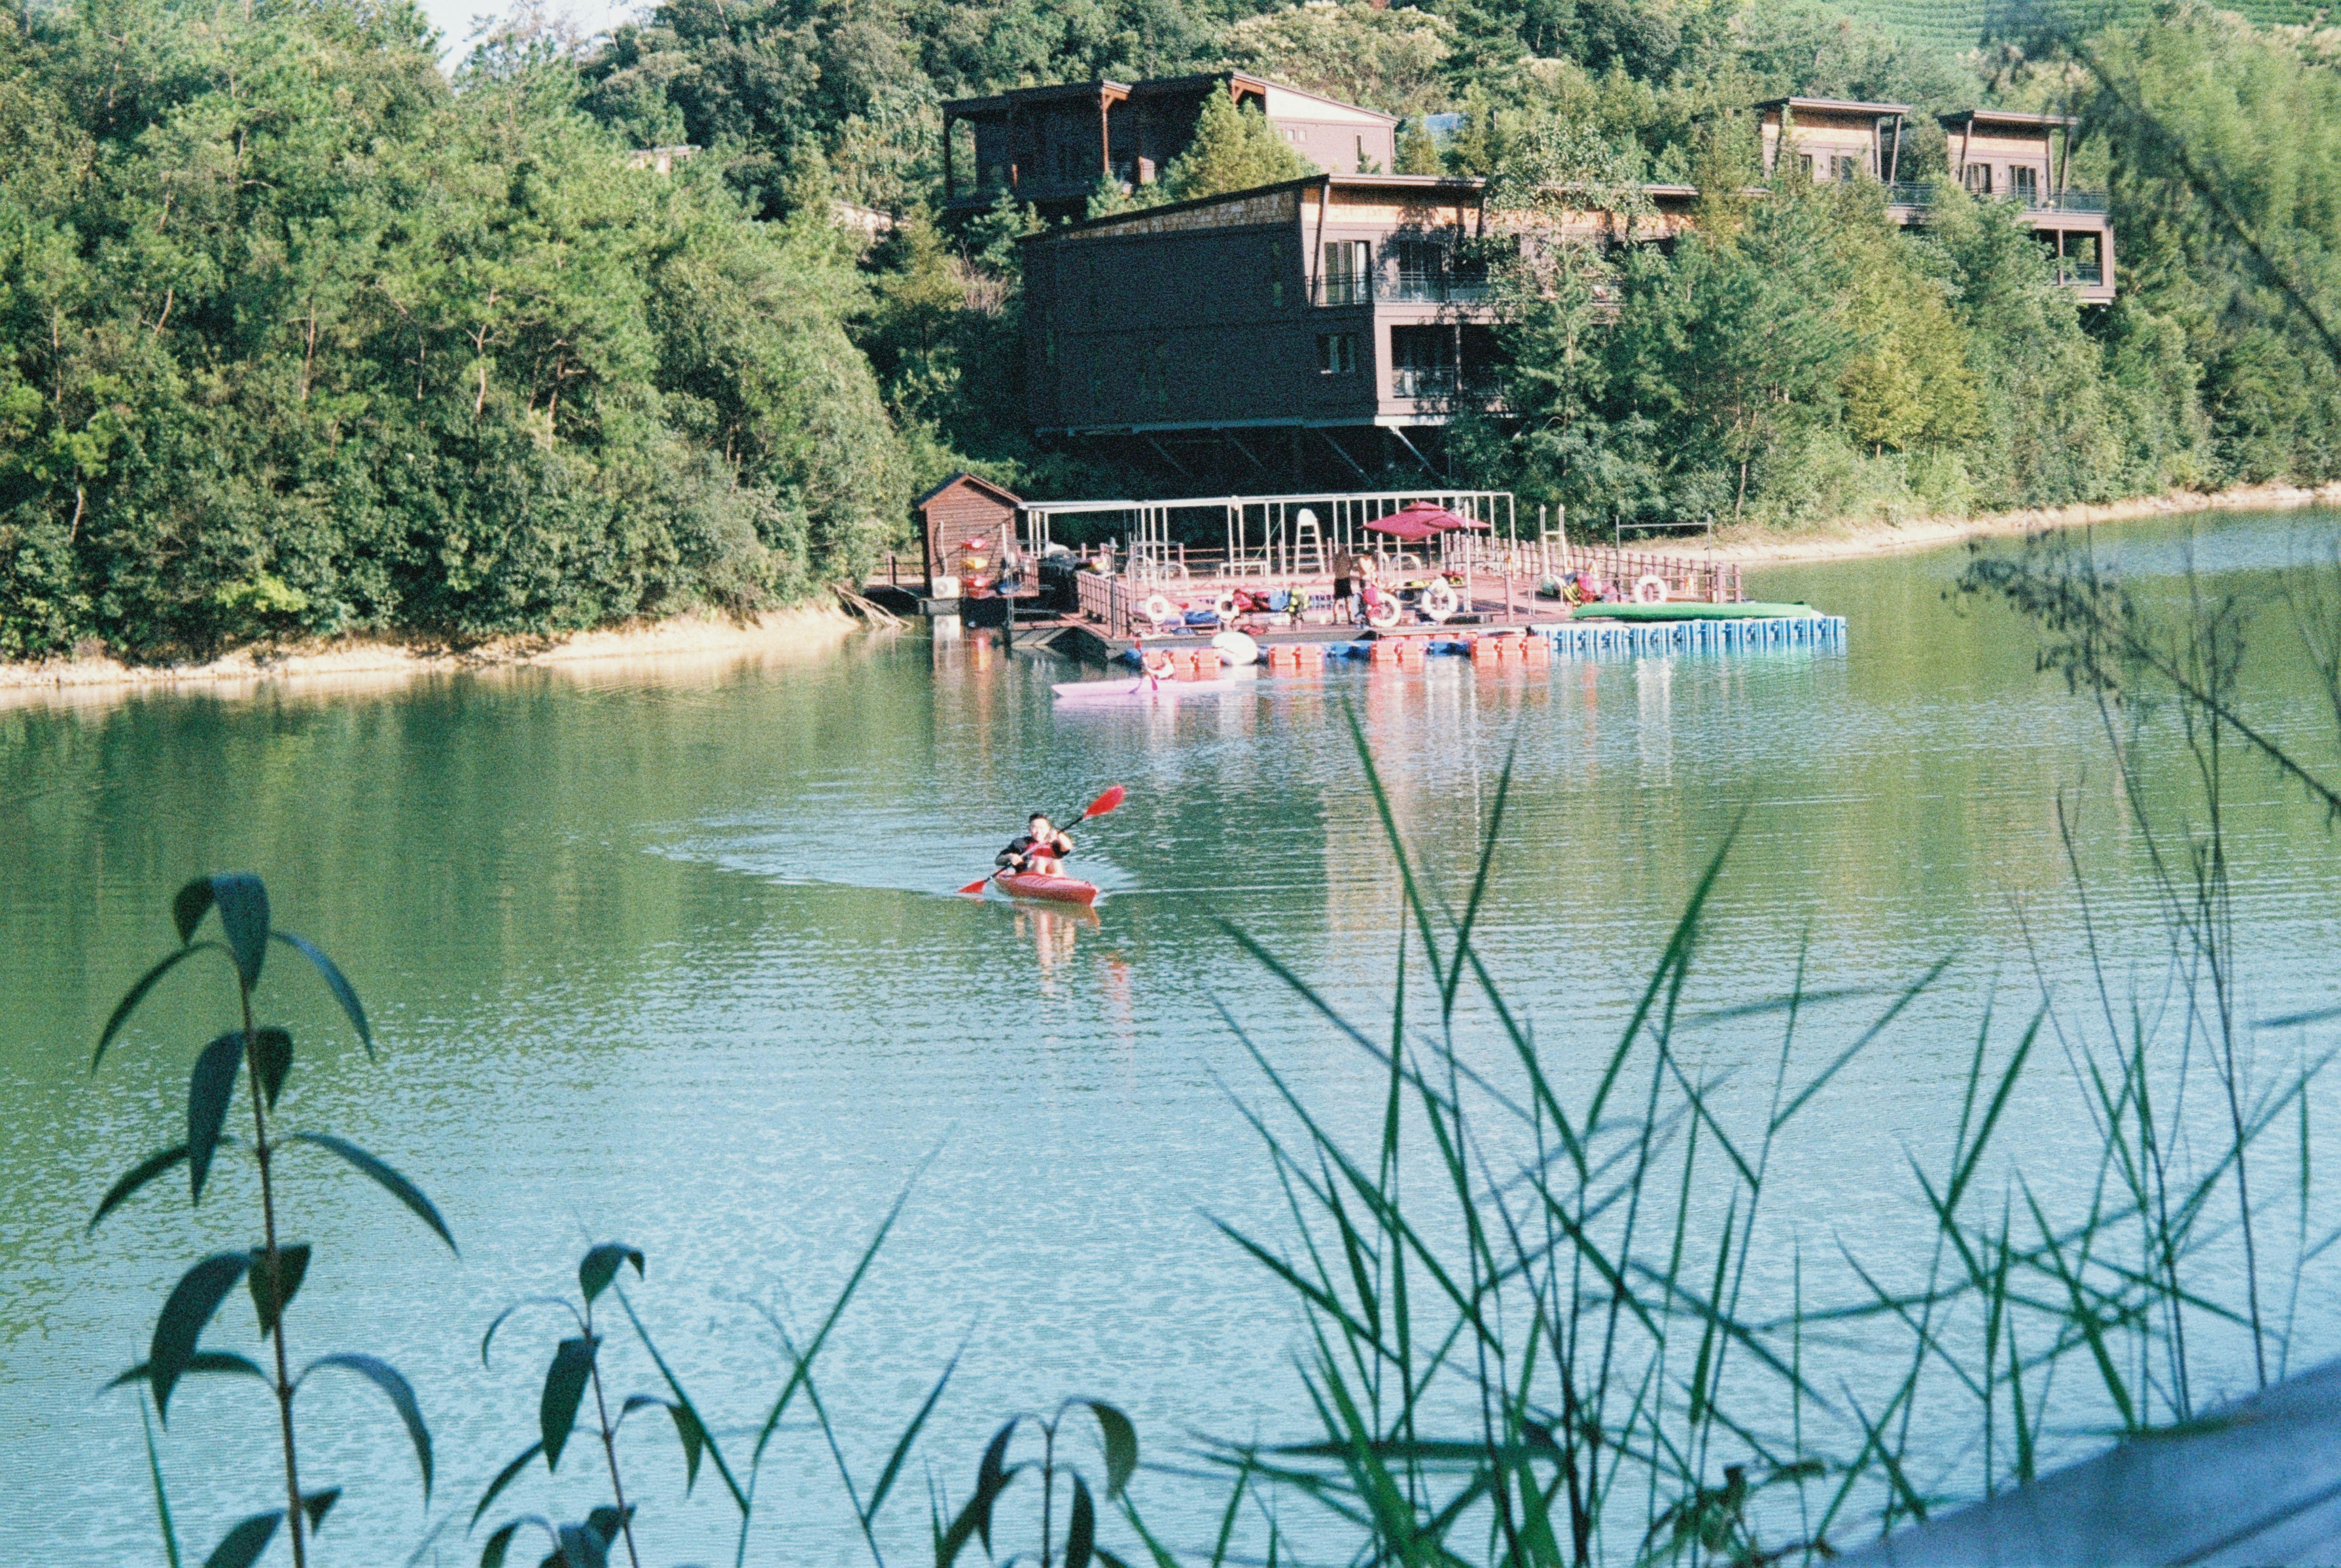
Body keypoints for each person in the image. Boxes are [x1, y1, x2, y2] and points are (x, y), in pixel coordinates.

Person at [998, 812, 1075, 879]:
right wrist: (1010, 857)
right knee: (1040, 861)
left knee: (1055, 860)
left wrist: (1058, 834)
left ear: (1048, 829)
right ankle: (1042, 885)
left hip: (1054, 878)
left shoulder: (1054, 843)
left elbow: (1067, 847)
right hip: (1028, 877)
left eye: (1042, 828)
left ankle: (1060, 883)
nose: (1038, 832)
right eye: (1034, 828)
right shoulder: (1020, 843)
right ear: (1029, 829)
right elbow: (998, 860)